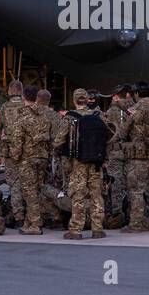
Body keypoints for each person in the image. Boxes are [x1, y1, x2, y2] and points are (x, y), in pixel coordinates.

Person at [59, 88, 114, 240]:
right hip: (96, 162)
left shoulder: (70, 118)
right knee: (97, 195)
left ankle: (76, 230)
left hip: (78, 163)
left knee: (78, 195)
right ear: (87, 100)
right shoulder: (99, 116)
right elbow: (110, 136)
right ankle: (98, 229)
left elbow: (58, 140)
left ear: (75, 101)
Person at [117, 82, 149, 232]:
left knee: (137, 190)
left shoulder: (133, 110)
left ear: (137, 94)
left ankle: (137, 224)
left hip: (139, 158)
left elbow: (122, 133)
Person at [15, 86, 53, 234]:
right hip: (42, 158)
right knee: (37, 190)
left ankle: (35, 225)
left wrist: (15, 156)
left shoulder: (23, 117)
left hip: (27, 159)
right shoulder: (45, 116)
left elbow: (17, 140)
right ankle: (29, 222)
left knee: (29, 192)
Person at [0, 80, 27, 220]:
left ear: (9, 92)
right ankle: (33, 216)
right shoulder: (28, 107)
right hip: (27, 151)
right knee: (29, 183)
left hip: (8, 152)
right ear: (21, 92)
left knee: (14, 184)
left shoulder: (3, 109)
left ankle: (18, 216)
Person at [102, 84, 134, 223]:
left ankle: (117, 215)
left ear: (115, 97)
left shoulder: (110, 112)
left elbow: (107, 135)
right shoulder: (132, 111)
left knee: (115, 184)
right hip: (129, 151)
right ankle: (133, 214)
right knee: (132, 184)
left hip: (114, 152)